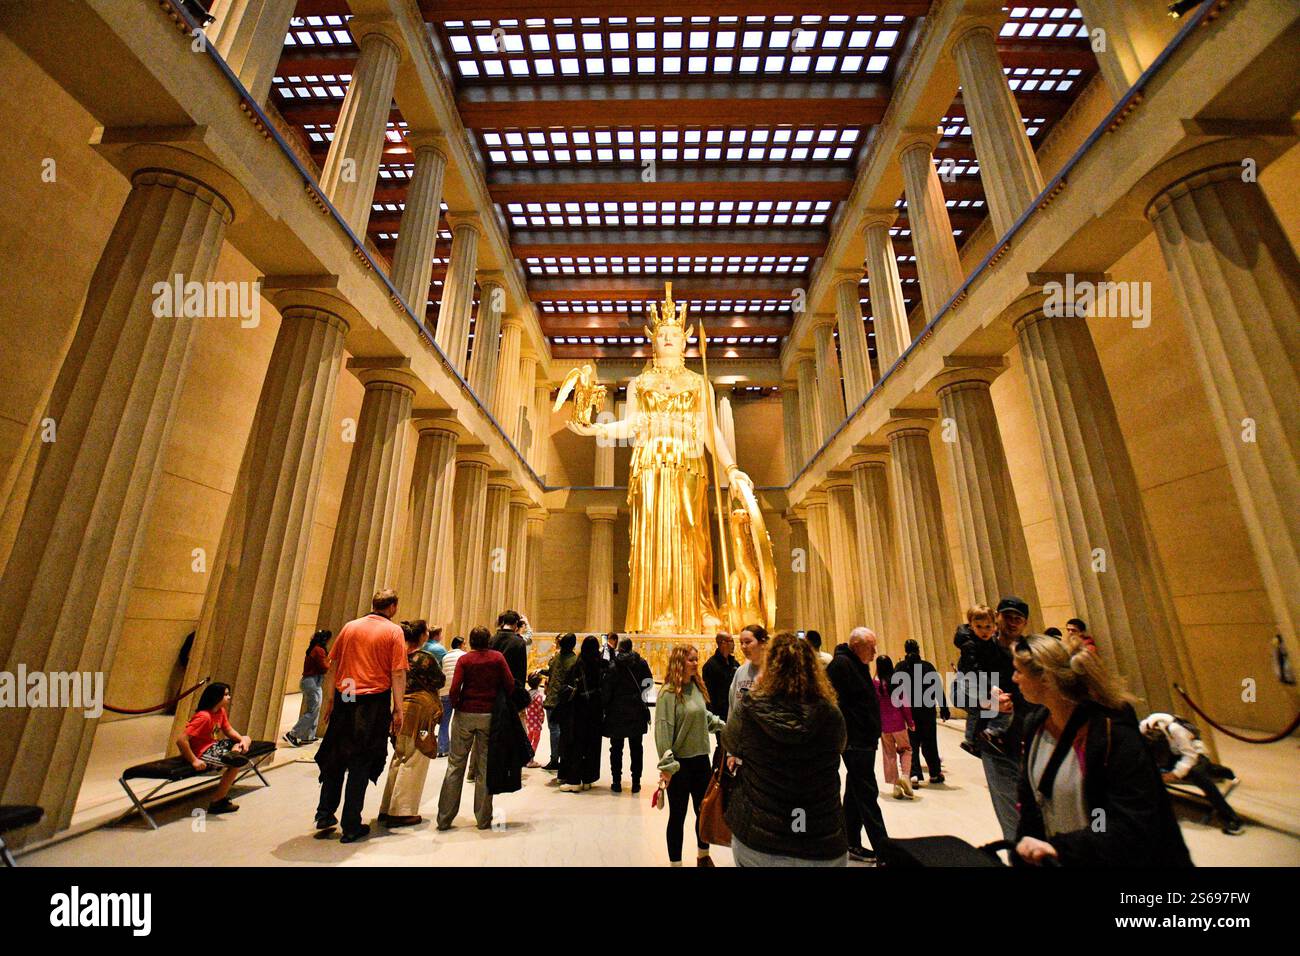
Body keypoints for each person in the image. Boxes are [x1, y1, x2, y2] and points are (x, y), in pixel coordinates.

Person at [1011, 633, 1192, 867]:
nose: (1014, 678)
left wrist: (1063, 848)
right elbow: (1031, 801)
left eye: (1018, 671)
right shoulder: (1036, 725)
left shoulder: (1111, 735)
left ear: (1045, 678)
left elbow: (1128, 823)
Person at [723, 632, 848, 866]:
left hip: (760, 836)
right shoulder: (831, 714)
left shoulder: (750, 709)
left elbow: (730, 743)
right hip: (821, 837)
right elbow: (840, 747)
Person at [315, 588, 407, 844]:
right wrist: (398, 708)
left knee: (336, 755)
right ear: (393, 607)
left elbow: (334, 664)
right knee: (361, 761)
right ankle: (351, 824)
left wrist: (332, 699)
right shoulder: (393, 631)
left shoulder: (350, 627)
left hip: (346, 696)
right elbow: (397, 672)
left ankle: (324, 812)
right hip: (372, 701)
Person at [436, 626, 515, 831]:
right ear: (488, 640)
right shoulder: (497, 658)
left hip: (465, 714)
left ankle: (444, 818)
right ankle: (482, 819)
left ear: (470, 641)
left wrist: (458, 705)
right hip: (489, 716)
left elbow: (454, 688)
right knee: (484, 767)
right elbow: (510, 684)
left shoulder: (465, 660)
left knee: (455, 765)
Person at [655, 644, 726, 866]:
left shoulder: (696, 687)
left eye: (696, 659)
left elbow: (703, 717)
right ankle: (676, 863)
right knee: (677, 816)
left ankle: (703, 856)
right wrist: (666, 767)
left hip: (700, 760)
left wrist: (724, 726)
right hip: (679, 764)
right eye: (691, 660)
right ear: (679, 663)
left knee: (703, 813)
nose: (696, 663)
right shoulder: (667, 694)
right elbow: (663, 730)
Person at [972, 595, 1033, 841]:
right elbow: (962, 688)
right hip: (996, 743)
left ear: (1025, 622)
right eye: (1006, 616)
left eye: (1017, 618)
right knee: (1011, 815)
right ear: (996, 618)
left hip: (1031, 738)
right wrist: (986, 698)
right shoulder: (980, 648)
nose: (1012, 622)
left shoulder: (1033, 652)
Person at [827, 627, 890, 863]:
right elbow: (832, 702)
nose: (875, 652)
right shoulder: (841, 666)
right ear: (857, 646)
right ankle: (885, 852)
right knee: (867, 793)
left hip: (864, 739)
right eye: (871, 647)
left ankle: (850, 842)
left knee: (855, 793)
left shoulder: (856, 664)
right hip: (855, 741)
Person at [378, 621, 445, 827]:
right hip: (419, 713)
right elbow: (439, 681)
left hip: (399, 709)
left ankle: (388, 807)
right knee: (416, 757)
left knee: (399, 756)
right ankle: (402, 811)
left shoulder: (397, 656)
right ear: (422, 636)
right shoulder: (424, 658)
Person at [1140, 712, 1244, 835]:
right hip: (1173, 754)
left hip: (1195, 753)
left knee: (1199, 775)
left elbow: (1190, 756)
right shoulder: (1144, 728)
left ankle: (1230, 817)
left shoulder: (1175, 729)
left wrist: (1175, 774)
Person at [176, 682, 251, 816]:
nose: (229, 697)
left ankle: (234, 752)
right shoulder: (203, 717)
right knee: (234, 765)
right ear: (216, 697)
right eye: (226, 694)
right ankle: (217, 801)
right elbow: (181, 740)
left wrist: (241, 740)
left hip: (214, 745)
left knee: (246, 738)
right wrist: (194, 761)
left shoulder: (220, 712)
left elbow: (228, 729)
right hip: (202, 752)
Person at [601, 637, 652, 793]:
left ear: (620, 649)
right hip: (636, 710)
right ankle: (636, 782)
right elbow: (648, 682)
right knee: (636, 748)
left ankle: (616, 782)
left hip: (616, 712)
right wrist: (641, 697)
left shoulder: (614, 665)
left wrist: (605, 706)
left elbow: (607, 689)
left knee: (616, 748)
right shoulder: (641, 663)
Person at [954, 604, 1004, 757]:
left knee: (990, 707)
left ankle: (985, 736)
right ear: (971, 626)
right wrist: (990, 686)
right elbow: (974, 668)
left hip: (981, 678)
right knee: (979, 707)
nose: (984, 630)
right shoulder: (970, 645)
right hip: (971, 678)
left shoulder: (991, 641)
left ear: (994, 626)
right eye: (979, 627)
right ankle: (971, 739)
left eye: (988, 626)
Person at [899, 638, 949, 786]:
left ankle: (914, 774)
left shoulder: (901, 667)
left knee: (912, 743)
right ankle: (934, 772)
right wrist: (944, 708)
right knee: (930, 742)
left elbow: (894, 691)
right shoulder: (928, 667)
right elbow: (938, 689)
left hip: (909, 712)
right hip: (927, 710)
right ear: (918, 649)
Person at [558, 636, 605, 792]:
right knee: (592, 745)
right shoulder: (601, 665)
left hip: (579, 711)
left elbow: (569, 688)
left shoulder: (579, 664)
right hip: (596, 711)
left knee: (577, 745)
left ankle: (574, 780)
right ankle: (588, 778)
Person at [875, 655, 916, 800]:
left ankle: (896, 786)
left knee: (889, 754)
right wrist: (910, 721)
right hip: (898, 723)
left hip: (884, 726)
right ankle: (905, 776)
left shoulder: (875, 684)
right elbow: (904, 704)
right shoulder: (897, 682)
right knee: (906, 750)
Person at [285, 628, 331, 747]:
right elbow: (324, 667)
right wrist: (330, 662)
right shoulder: (319, 650)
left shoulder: (313, 649)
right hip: (312, 681)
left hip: (311, 681)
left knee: (314, 709)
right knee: (312, 711)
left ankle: (307, 736)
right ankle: (293, 734)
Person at [541, 633, 578, 772]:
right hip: (564, 701)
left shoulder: (556, 658)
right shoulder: (574, 660)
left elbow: (551, 673)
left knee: (554, 730)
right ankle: (561, 759)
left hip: (552, 699)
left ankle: (555, 758)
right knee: (562, 731)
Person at [490, 609, 530, 711]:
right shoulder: (519, 642)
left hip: (491, 688)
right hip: (509, 691)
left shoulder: (491, 639)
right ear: (516, 623)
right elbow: (521, 671)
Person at [728, 623, 768, 715]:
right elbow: (733, 704)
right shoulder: (740, 671)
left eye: (748, 642)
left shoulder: (772, 671)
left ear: (762, 643)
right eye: (741, 643)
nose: (743, 647)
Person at [437, 637, 466, 758]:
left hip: (444, 692)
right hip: (459, 691)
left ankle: (442, 748)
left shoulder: (445, 657)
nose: (465, 646)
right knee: (460, 722)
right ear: (460, 645)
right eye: (464, 644)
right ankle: (457, 749)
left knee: (444, 721)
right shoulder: (464, 656)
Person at [524, 672, 545, 768]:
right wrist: (542, 718)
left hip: (528, 719)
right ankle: (531, 760)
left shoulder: (528, 694)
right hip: (536, 721)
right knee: (536, 740)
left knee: (529, 739)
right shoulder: (539, 696)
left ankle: (526, 757)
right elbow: (540, 709)